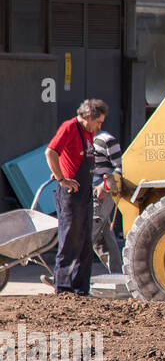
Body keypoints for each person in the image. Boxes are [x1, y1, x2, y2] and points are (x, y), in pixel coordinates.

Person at [43, 99, 107, 297]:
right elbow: (51, 152)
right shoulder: (69, 127)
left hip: (85, 192)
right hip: (70, 195)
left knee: (85, 242)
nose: (100, 126)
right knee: (70, 239)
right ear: (87, 117)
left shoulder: (88, 132)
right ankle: (62, 287)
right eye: (98, 122)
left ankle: (81, 289)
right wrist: (62, 179)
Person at [90, 128, 124, 275]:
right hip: (87, 194)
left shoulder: (106, 140)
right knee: (103, 240)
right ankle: (120, 277)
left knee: (86, 235)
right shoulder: (84, 140)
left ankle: (67, 278)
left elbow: (120, 167)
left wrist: (104, 186)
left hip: (102, 194)